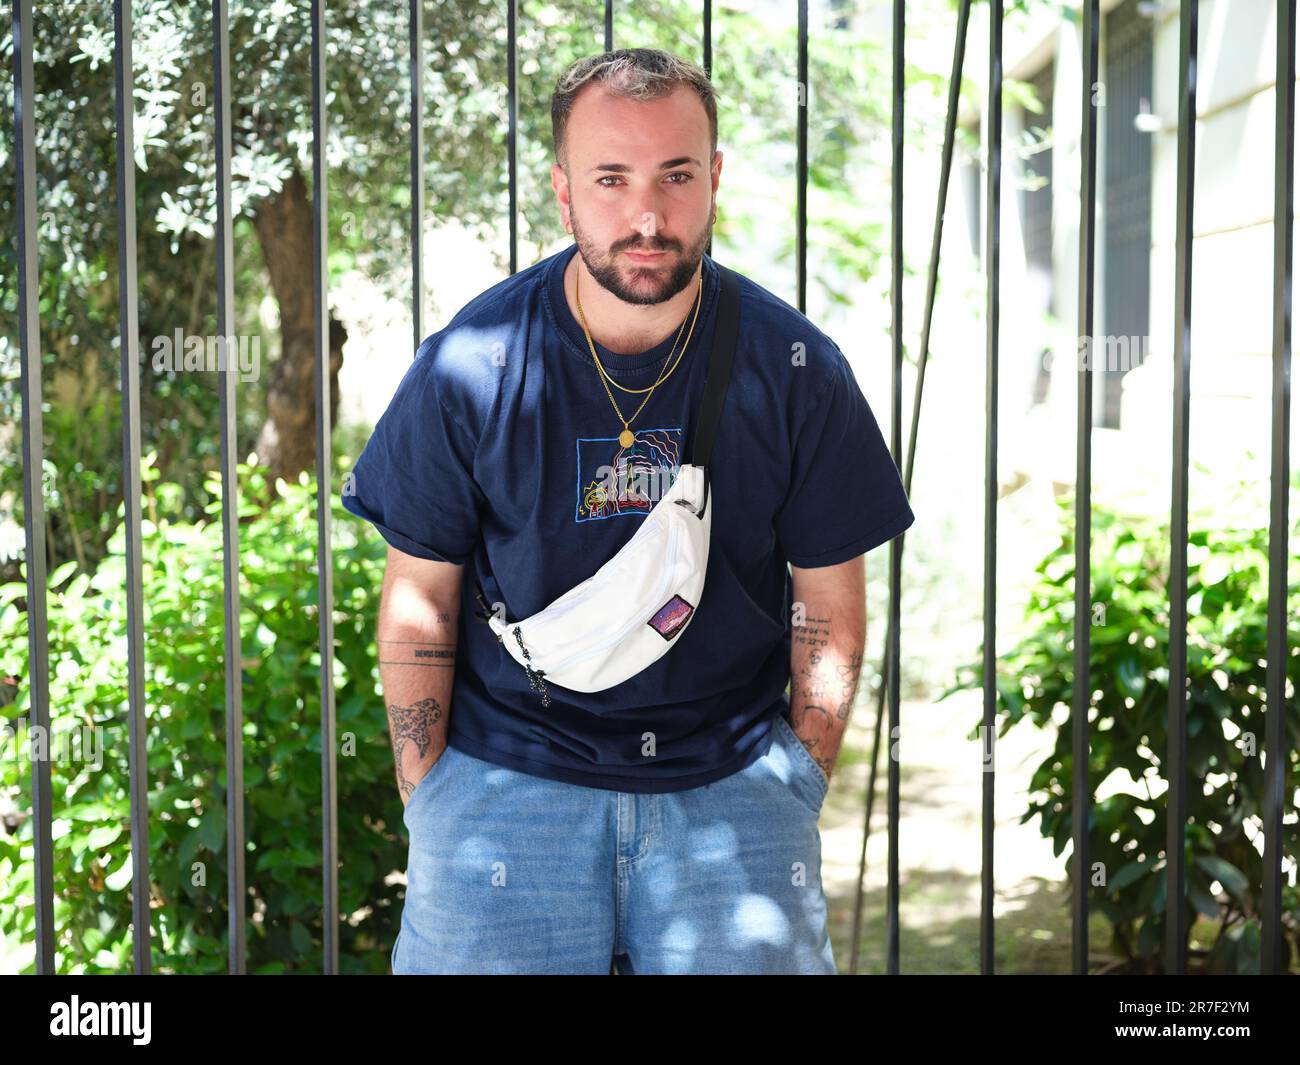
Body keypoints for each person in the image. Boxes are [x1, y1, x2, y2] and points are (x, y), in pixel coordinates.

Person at [342, 47, 914, 975]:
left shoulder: (798, 369)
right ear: (565, 193)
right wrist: (433, 791)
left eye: (676, 176)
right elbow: (421, 601)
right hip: (504, 796)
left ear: (714, 178)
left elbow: (830, 605)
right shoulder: (470, 364)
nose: (647, 216)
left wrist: (795, 779)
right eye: (611, 179)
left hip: (732, 797)